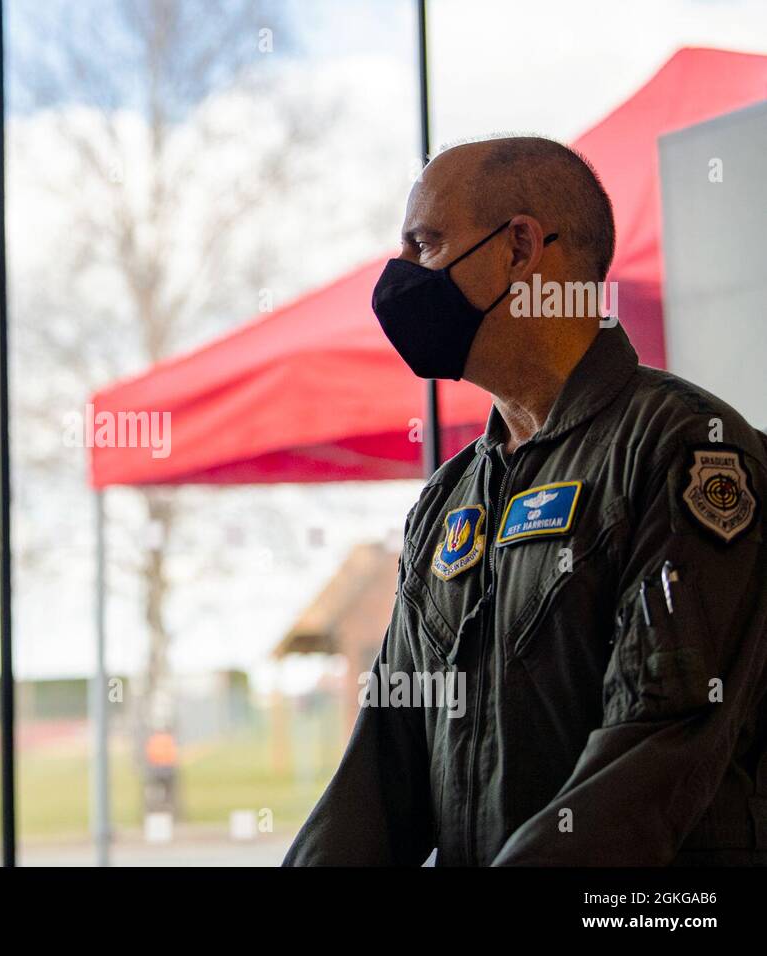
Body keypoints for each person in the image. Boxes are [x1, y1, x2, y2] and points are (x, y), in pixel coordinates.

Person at [284, 136, 767, 865]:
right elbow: (384, 772)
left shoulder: (683, 451)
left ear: (518, 249)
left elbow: (657, 750)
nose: (399, 276)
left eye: (425, 243)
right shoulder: (448, 502)